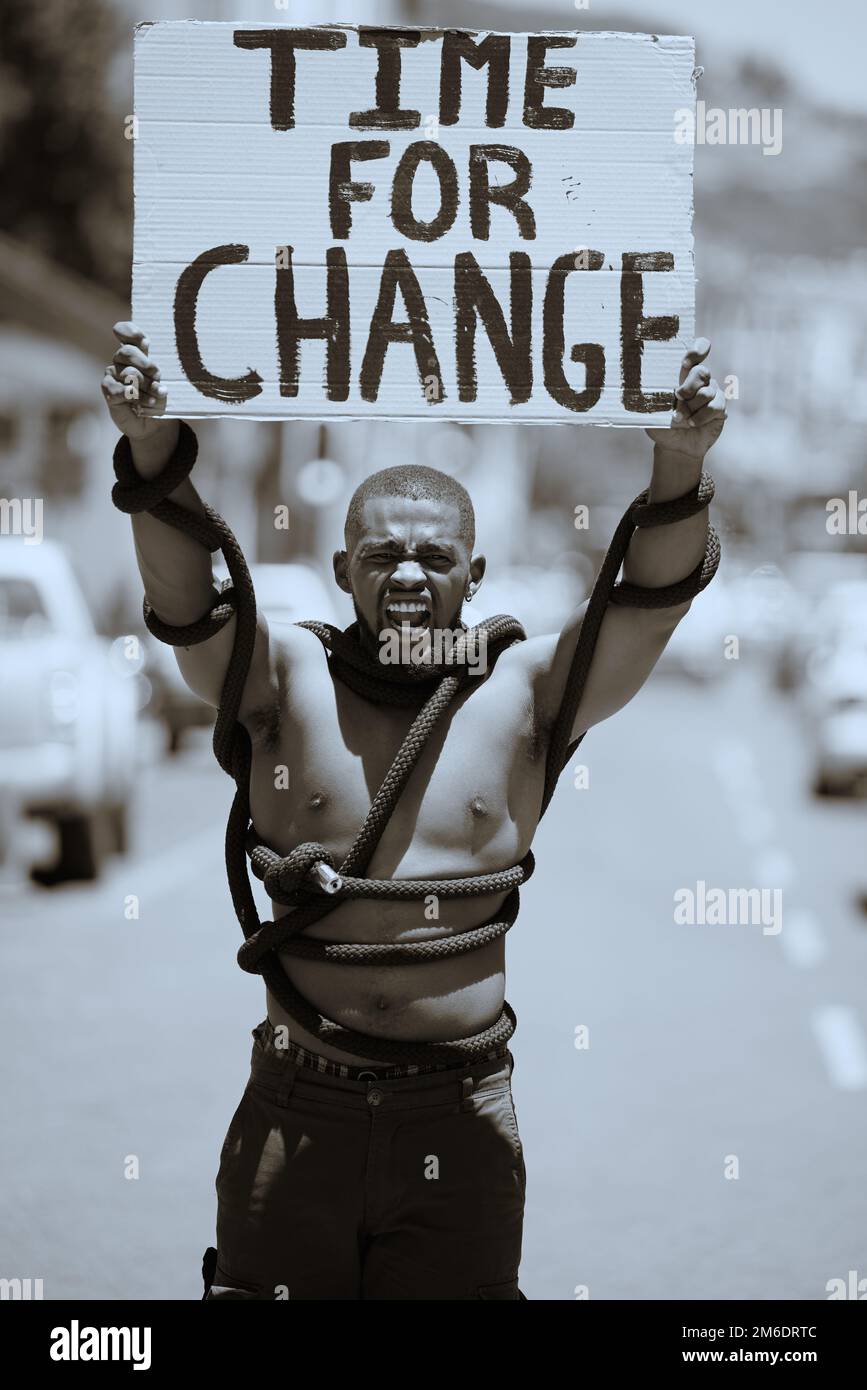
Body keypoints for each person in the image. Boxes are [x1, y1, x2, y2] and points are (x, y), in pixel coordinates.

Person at [102, 323, 726, 1300]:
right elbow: (187, 601)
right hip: (294, 1107)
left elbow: (647, 601)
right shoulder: (283, 676)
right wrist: (149, 446)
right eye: (382, 555)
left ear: (474, 579)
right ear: (345, 570)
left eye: (434, 557)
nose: (405, 574)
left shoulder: (524, 693)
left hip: (459, 1116)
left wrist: (679, 464)